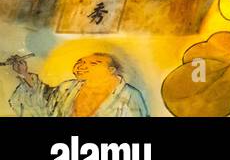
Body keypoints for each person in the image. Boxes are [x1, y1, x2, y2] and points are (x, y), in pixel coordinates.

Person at [6, 52, 147, 117]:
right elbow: (43, 102)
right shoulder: (68, 87)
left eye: (93, 63)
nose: (82, 66)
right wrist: (24, 73)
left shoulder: (130, 96)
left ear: (111, 70)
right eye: (81, 62)